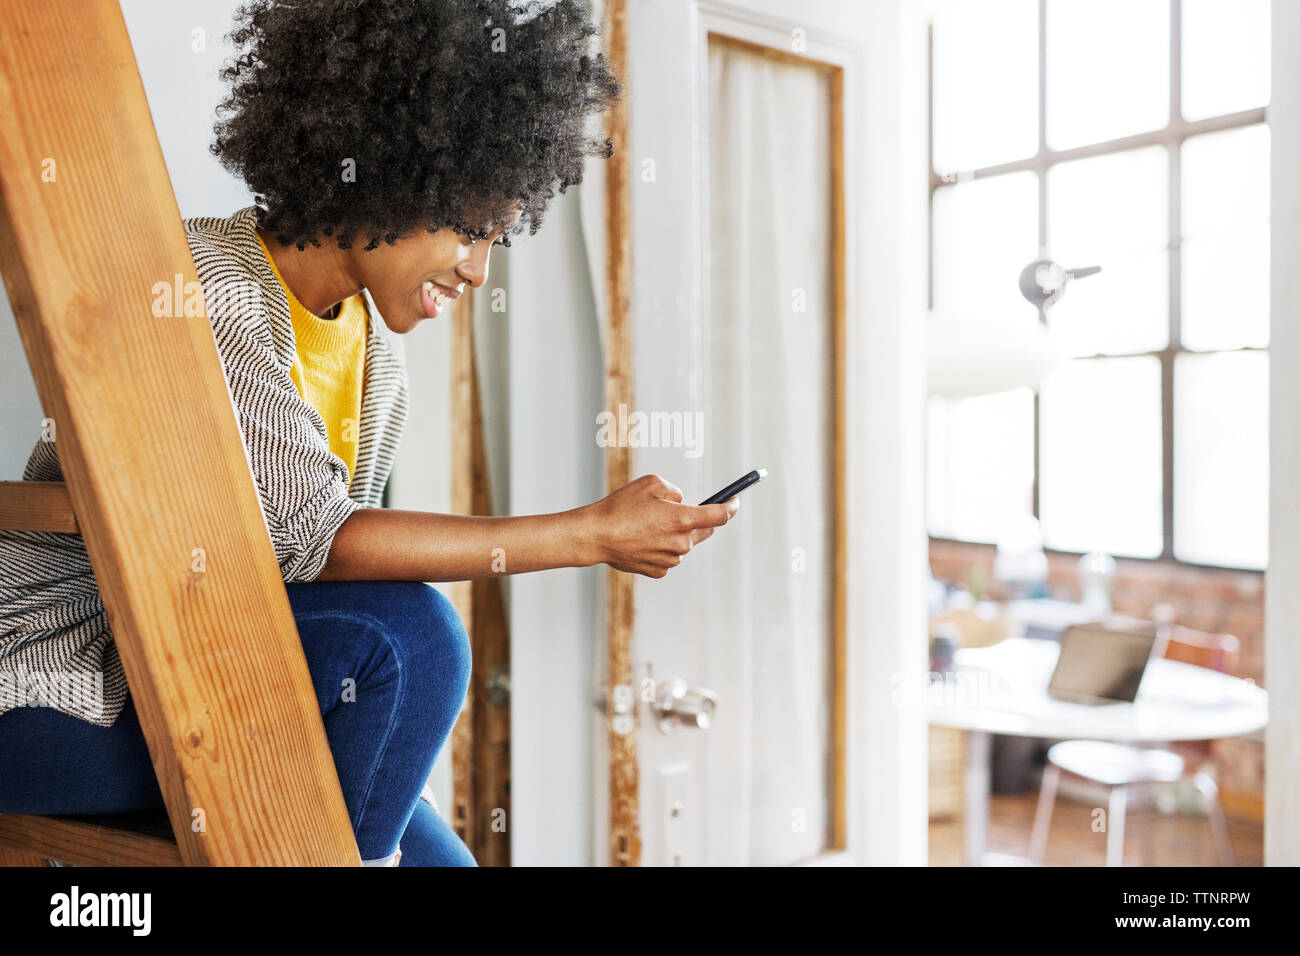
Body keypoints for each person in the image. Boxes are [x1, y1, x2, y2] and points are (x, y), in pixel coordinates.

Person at [0, 0, 738, 866]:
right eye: (471, 229)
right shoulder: (207, 283)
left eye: (498, 239)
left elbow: (300, 587)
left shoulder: (374, 364)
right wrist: (589, 533)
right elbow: (325, 546)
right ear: (387, 176)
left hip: (210, 671)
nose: (477, 268)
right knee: (412, 634)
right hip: (59, 695)